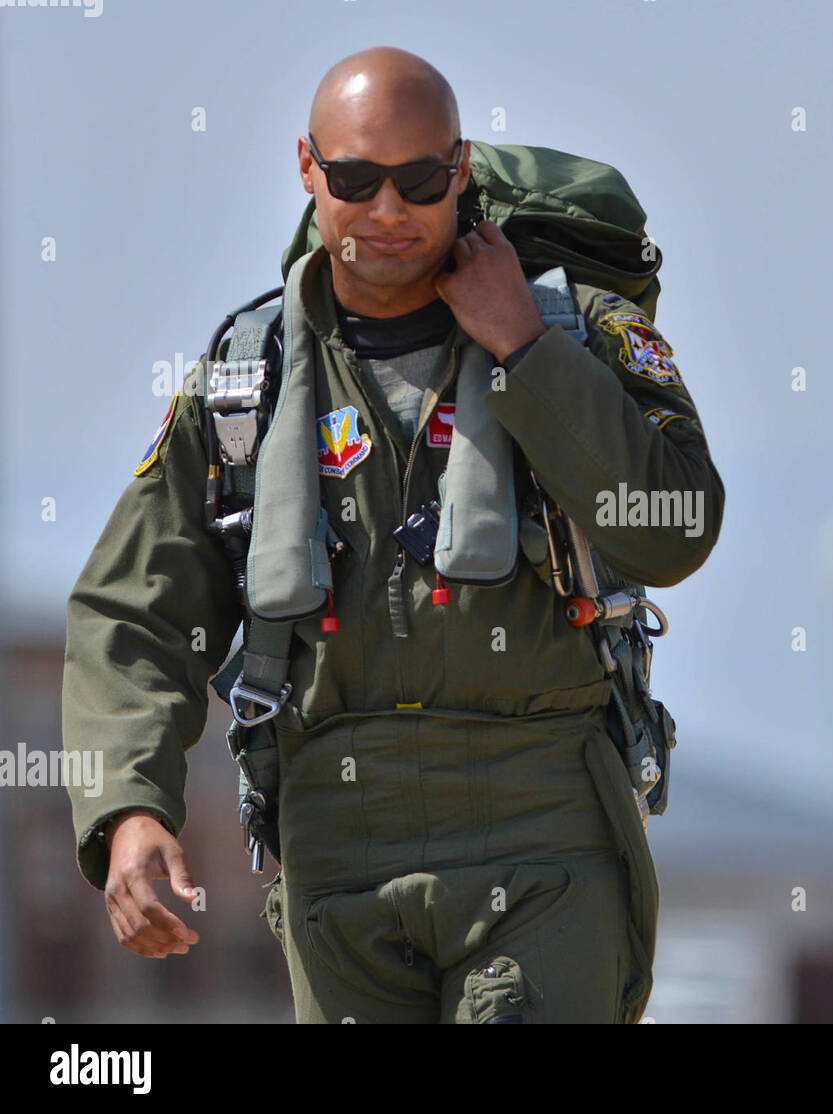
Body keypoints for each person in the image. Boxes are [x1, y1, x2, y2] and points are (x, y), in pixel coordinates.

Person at [61, 45, 724, 1023]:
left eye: (418, 180)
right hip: (338, 855)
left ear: (458, 172)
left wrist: (528, 353)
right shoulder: (246, 381)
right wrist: (129, 811)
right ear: (306, 168)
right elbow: (135, 610)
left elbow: (674, 530)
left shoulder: (574, 333)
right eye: (354, 178)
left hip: (540, 833)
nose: (386, 210)